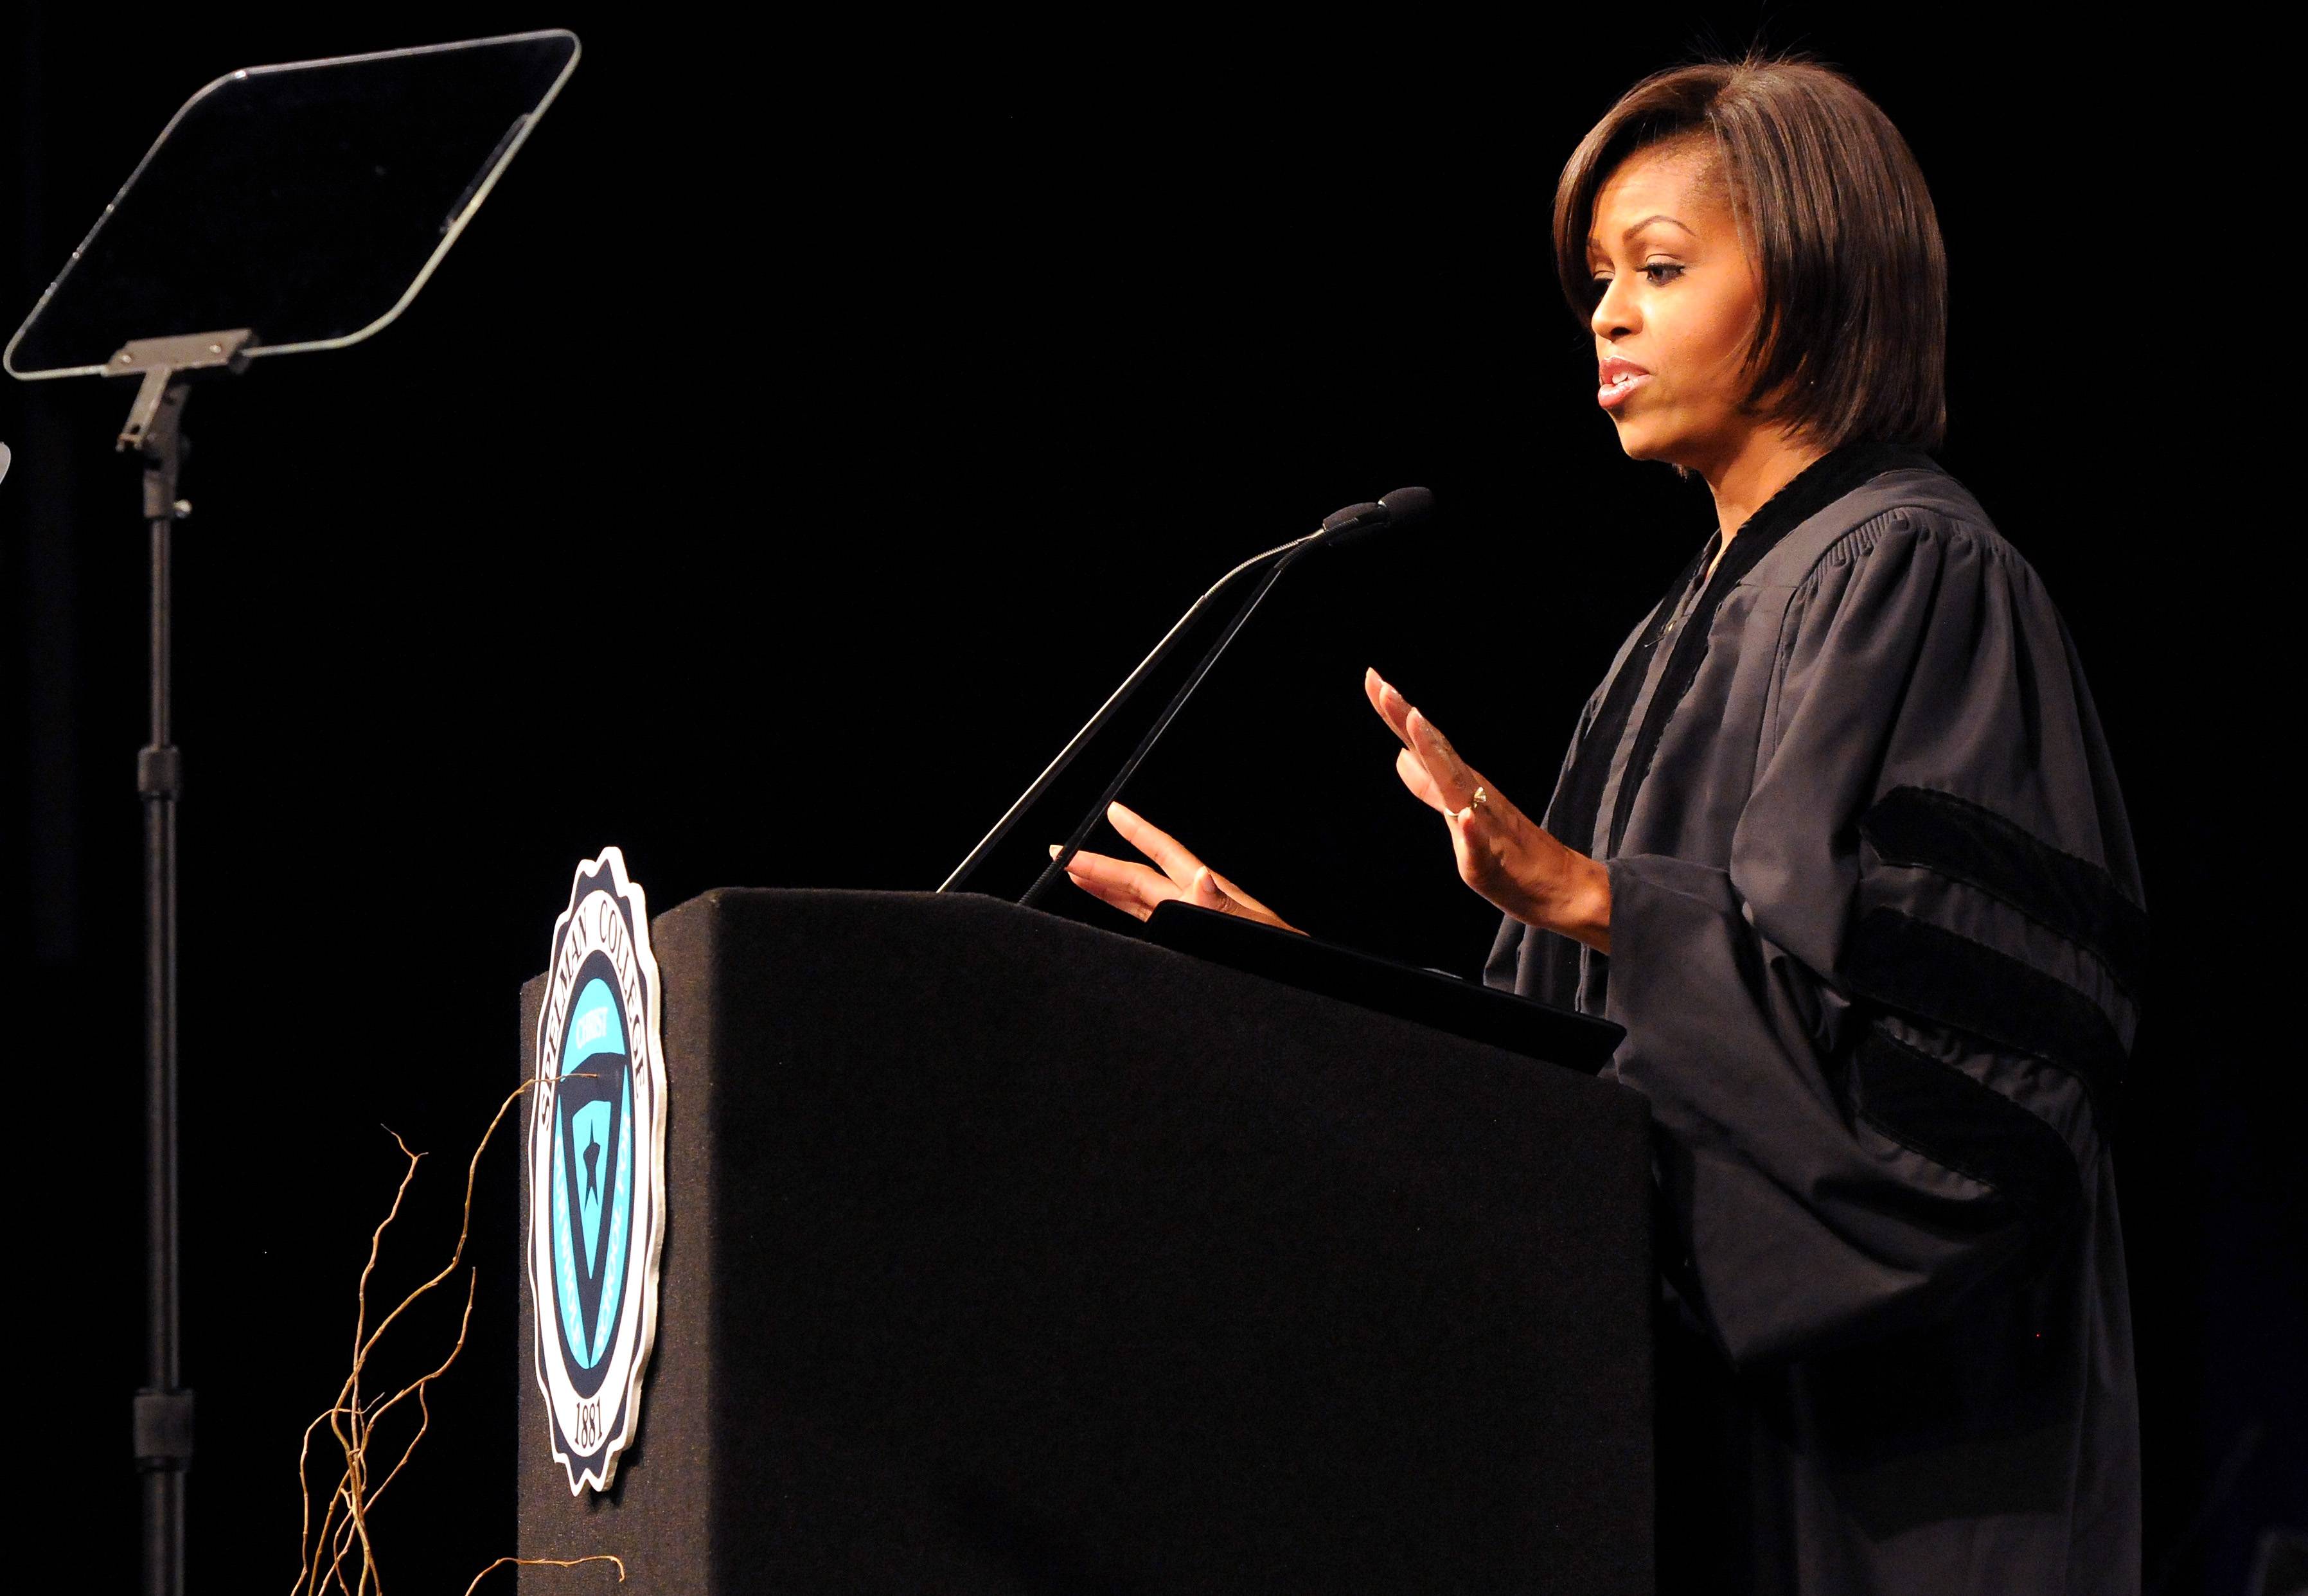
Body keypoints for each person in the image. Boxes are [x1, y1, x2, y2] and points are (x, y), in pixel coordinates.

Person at [1056, 52, 2144, 1596]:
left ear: (1820, 283)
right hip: (1662, 1460)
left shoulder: (1918, 579)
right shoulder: (1666, 643)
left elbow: (1969, 1097)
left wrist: (1610, 910)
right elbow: (1554, 1106)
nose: (1607, 319)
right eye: (1595, 283)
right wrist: (1295, 983)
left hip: (1878, 1487)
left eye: (1661, 268)